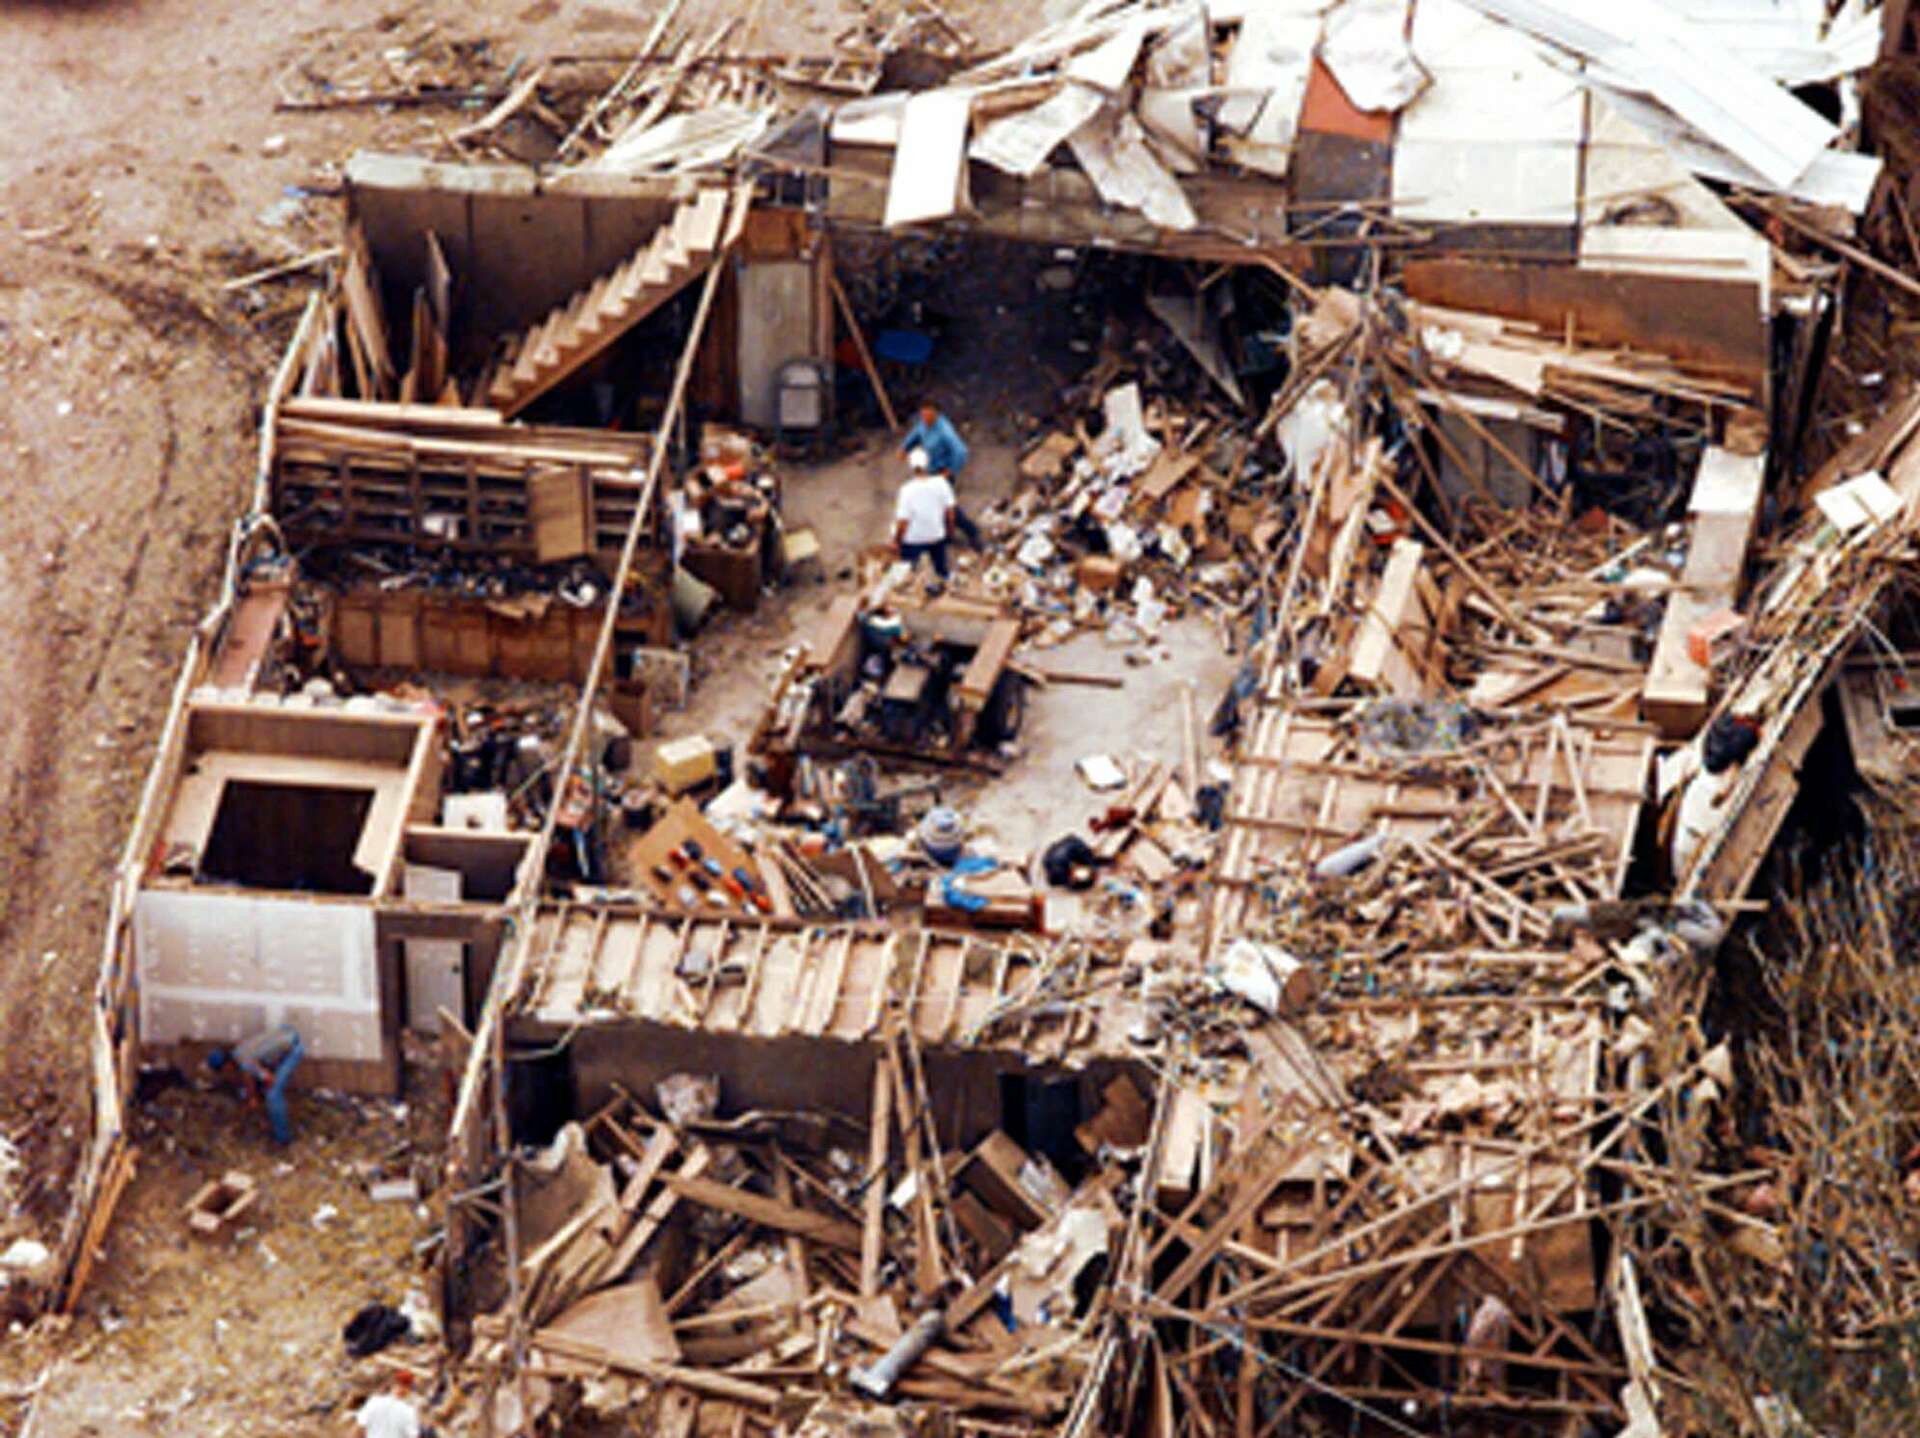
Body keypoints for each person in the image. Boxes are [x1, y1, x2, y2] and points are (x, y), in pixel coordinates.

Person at [208, 1022, 305, 1145]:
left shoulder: (245, 1061)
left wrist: (253, 1099)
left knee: (273, 1095)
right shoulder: (238, 1053)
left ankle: (283, 1139)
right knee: (263, 1087)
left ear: (227, 1065)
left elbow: (269, 1078)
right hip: (285, 1033)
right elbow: (248, 1077)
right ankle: (274, 1121)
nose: (226, 1074)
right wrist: (251, 1096)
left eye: (224, 1071)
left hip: (292, 1048)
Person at [900, 404, 981, 546]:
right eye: (922, 414)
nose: (924, 418)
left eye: (927, 414)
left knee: (947, 507)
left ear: (935, 413)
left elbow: (961, 452)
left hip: (941, 473)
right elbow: (916, 434)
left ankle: (972, 532)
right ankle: (945, 534)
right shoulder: (924, 425)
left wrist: (950, 470)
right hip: (929, 471)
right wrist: (905, 447)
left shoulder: (944, 431)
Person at [894, 448, 957, 580]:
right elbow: (950, 513)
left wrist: (897, 541)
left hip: (913, 540)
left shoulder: (907, 490)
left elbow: (903, 522)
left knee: (908, 573)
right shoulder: (941, 483)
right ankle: (943, 577)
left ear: (911, 466)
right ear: (927, 463)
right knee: (941, 572)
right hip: (936, 536)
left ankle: (908, 581)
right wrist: (950, 533)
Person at [354, 1371, 422, 1438]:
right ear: (408, 1389)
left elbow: (359, 1427)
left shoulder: (375, 1401)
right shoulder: (409, 1411)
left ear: (393, 1384)